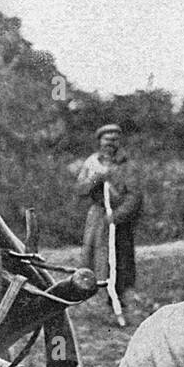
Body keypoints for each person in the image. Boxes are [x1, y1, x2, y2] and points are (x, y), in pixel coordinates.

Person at [75, 123, 140, 302]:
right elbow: (80, 190)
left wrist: (117, 215)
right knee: (93, 254)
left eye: (114, 140)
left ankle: (124, 294)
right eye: (106, 139)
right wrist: (97, 177)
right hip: (97, 215)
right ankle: (91, 293)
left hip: (120, 218)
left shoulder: (127, 165)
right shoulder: (91, 163)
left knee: (122, 257)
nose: (110, 143)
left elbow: (134, 196)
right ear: (100, 141)